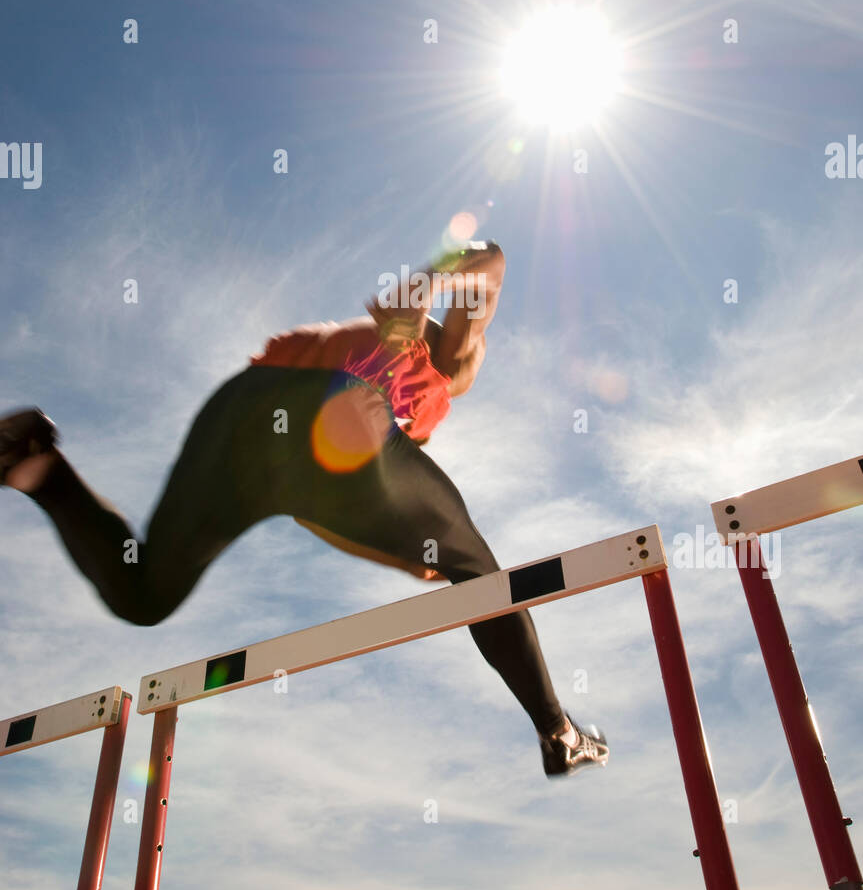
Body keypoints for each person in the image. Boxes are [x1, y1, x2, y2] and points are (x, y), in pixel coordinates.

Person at [0, 239, 608, 778]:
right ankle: (558, 731)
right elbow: (491, 261)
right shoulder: (448, 363)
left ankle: (38, 468)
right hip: (320, 415)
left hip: (240, 426)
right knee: (478, 569)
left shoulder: (376, 432)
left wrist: (405, 558)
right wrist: (427, 281)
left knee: (143, 594)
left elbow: (315, 510)